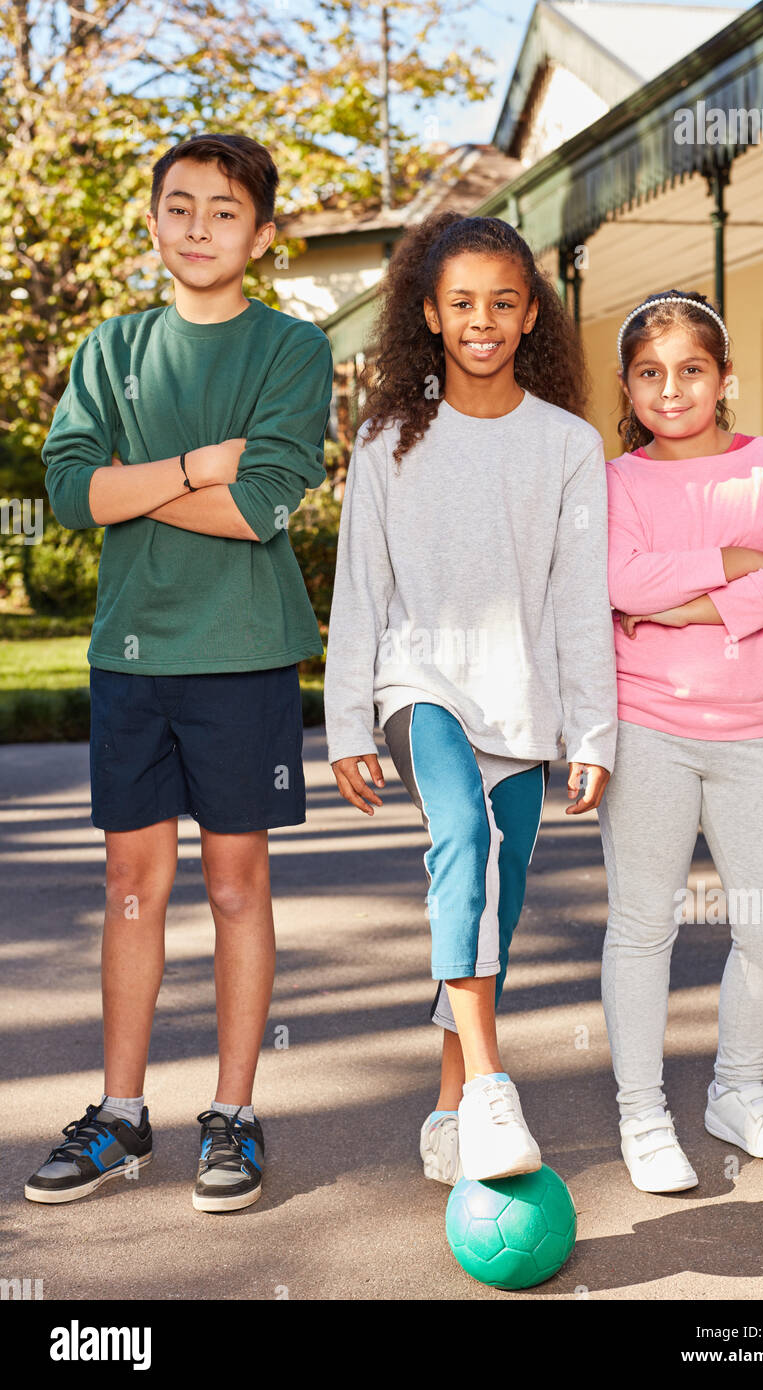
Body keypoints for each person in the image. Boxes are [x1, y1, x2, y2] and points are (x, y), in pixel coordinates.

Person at [29, 133, 333, 1212]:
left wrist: (136, 483)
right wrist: (196, 465)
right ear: (153, 220)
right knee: (130, 889)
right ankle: (120, 1115)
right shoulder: (110, 350)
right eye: (179, 206)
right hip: (132, 660)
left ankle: (234, 1115)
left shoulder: (291, 352)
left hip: (244, 660)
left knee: (235, 885)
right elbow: (71, 494)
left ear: (259, 232)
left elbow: (260, 510)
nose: (197, 226)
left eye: (223, 210)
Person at [324, 212, 617, 1186]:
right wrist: (346, 725)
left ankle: (449, 1108)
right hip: (421, 685)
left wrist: (592, 729)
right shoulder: (386, 443)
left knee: (491, 901)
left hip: (522, 703)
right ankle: (494, 1085)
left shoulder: (568, 445)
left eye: (501, 301)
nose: (481, 319)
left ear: (531, 313)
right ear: (428, 313)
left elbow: (579, 600)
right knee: (462, 839)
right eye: (461, 303)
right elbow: (360, 594)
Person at [600, 289, 763, 1193]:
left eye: (691, 370)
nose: (671, 389)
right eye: (650, 374)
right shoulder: (619, 481)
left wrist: (687, 606)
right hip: (648, 730)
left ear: (724, 376)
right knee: (643, 924)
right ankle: (643, 1115)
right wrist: (739, 562)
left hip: (755, 736)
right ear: (627, 387)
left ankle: (737, 1089)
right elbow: (619, 577)